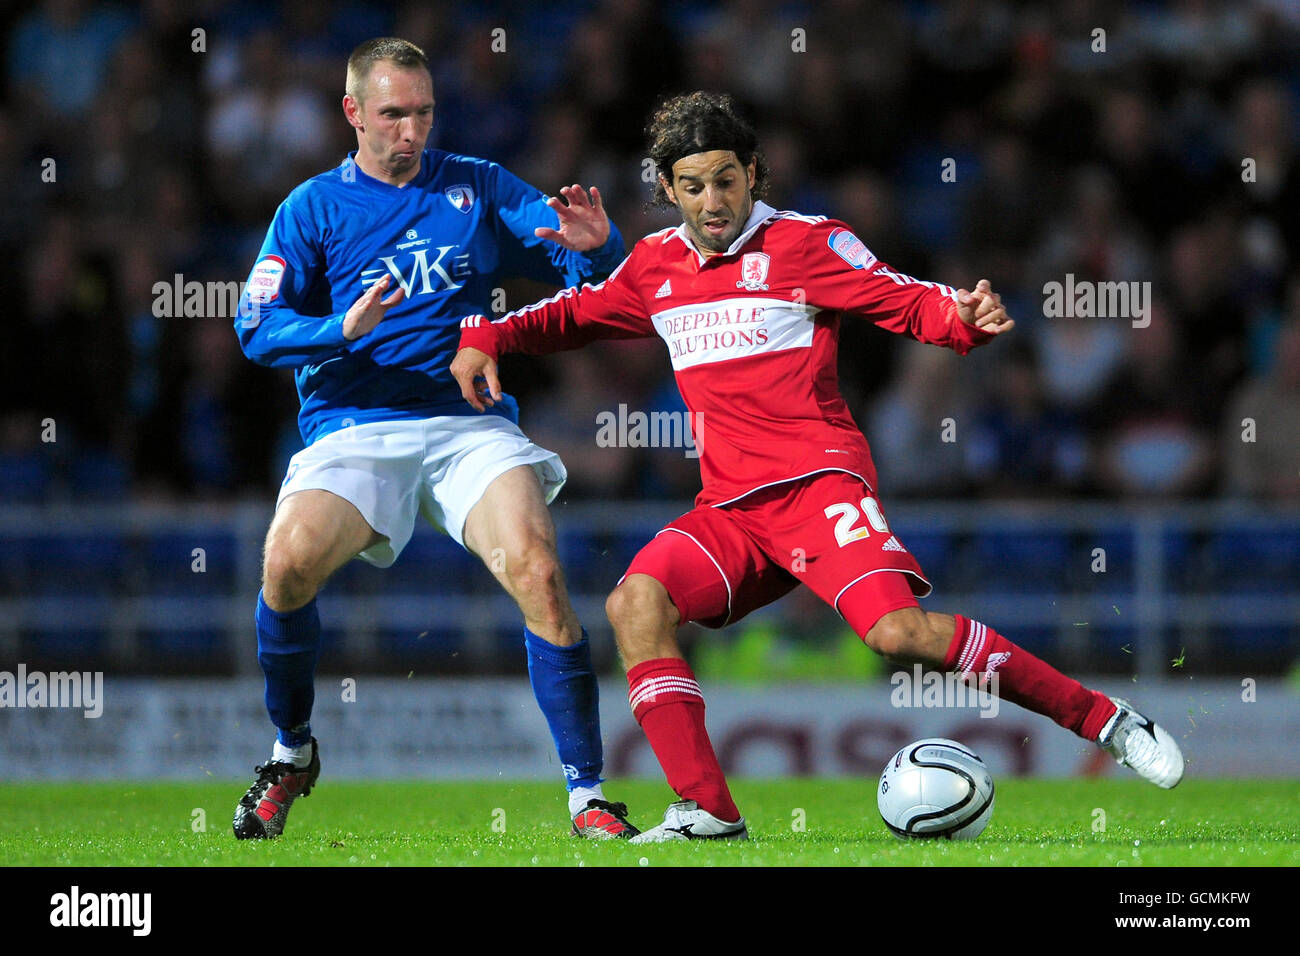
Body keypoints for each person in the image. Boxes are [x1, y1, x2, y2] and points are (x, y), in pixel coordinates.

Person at [452, 91, 1184, 843]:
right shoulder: (653, 266)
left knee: (898, 634)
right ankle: (709, 810)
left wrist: (958, 319)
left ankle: (1108, 720)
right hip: (731, 511)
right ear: (668, 189)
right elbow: (572, 316)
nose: (713, 201)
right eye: (694, 185)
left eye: (728, 181)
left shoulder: (808, 243)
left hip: (817, 487)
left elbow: (900, 298)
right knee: (635, 605)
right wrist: (485, 335)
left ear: (755, 174)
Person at [231, 37, 638, 840]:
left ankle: (587, 799)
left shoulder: (476, 185)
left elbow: (581, 274)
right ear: (353, 113)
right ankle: (292, 752)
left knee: (539, 570)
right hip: (354, 425)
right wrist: (337, 329)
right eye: (393, 114)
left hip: (466, 425)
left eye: (422, 112)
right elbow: (255, 326)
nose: (411, 130)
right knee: (285, 566)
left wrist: (601, 247)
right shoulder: (310, 208)